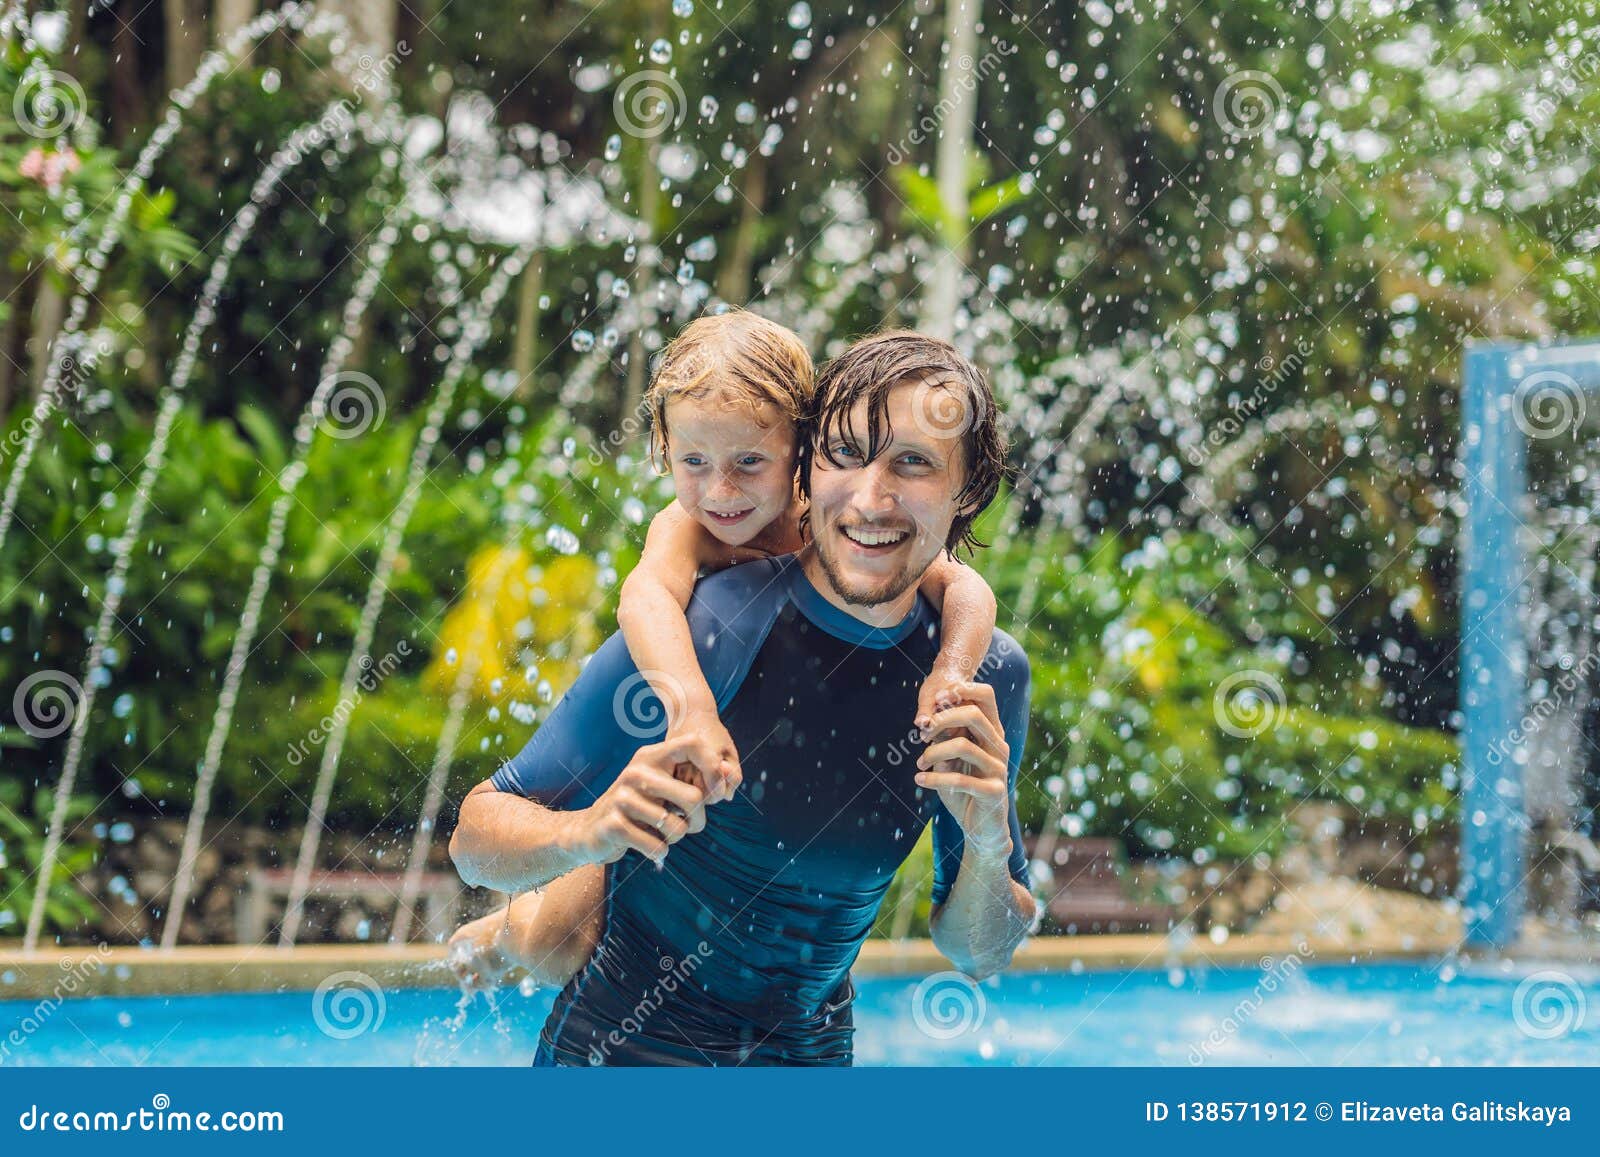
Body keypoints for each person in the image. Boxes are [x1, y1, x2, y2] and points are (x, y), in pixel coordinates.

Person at [450, 329, 1035, 1065]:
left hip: (808, 1066)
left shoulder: (985, 676)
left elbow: (980, 955)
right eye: (846, 454)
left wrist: (987, 844)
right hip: (623, 1058)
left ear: (968, 489)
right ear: (813, 466)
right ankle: (516, 930)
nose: (871, 496)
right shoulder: (708, 617)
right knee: (557, 928)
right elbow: (473, 838)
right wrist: (587, 832)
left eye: (913, 462)